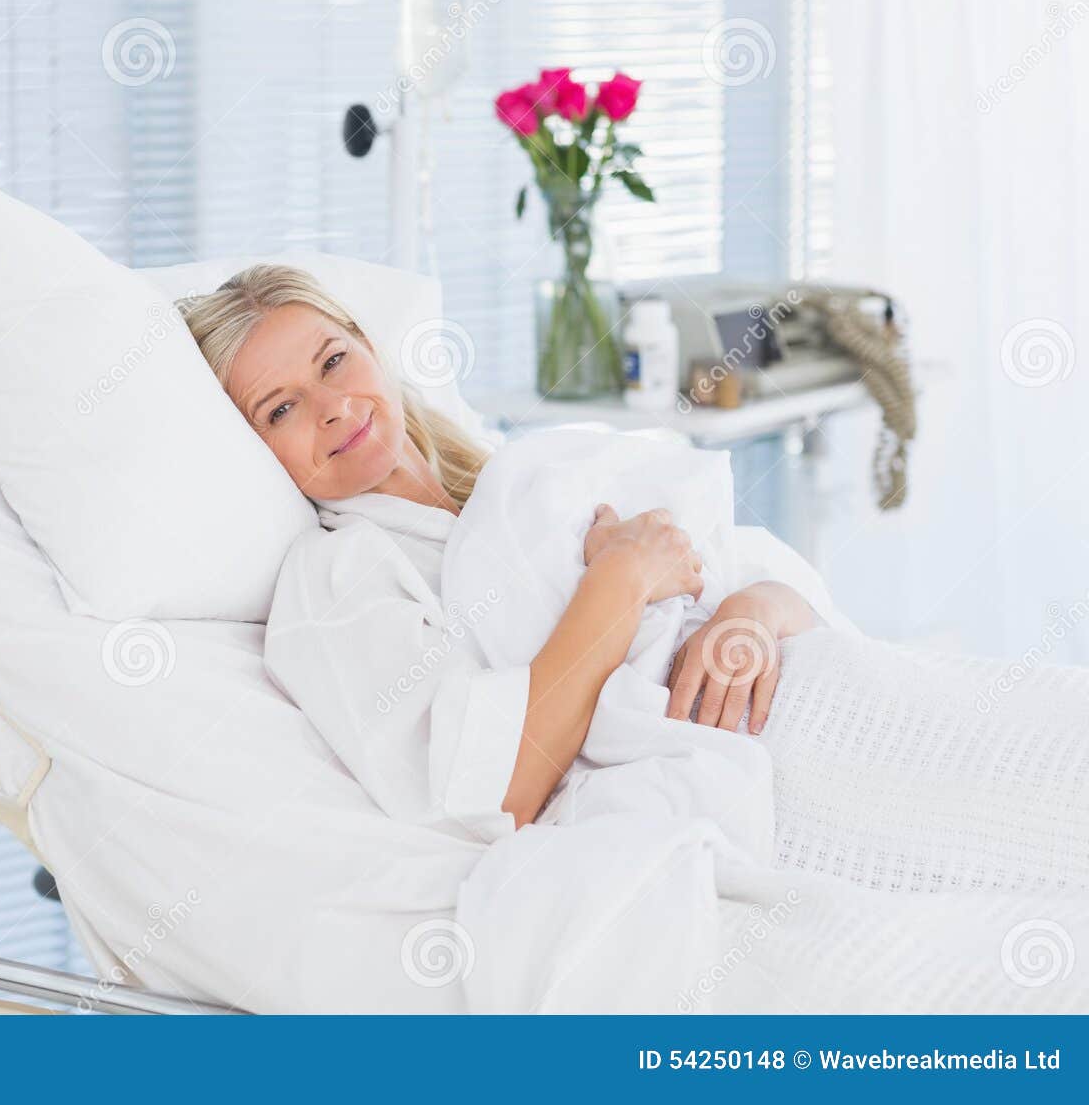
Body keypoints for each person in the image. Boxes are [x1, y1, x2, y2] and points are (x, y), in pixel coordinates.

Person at [178, 265, 1089, 893]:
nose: (332, 404)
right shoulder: (337, 580)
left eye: (334, 360)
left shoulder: (517, 475)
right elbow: (497, 788)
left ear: (371, 349)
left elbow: (762, 575)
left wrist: (748, 615)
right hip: (740, 767)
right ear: (251, 449)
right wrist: (618, 582)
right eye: (281, 408)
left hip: (810, 687)